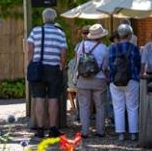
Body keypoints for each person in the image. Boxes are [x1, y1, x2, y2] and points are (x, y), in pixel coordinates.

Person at [25, 8, 67, 138]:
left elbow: (30, 50)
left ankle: (40, 129)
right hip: (54, 69)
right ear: (54, 19)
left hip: (38, 68)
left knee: (39, 98)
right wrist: (62, 66)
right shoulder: (60, 33)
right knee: (54, 99)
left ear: (43, 18)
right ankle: (53, 129)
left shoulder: (35, 31)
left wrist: (30, 63)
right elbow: (63, 53)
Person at [105, 23, 142, 141]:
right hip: (132, 80)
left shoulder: (111, 48)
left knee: (118, 107)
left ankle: (120, 134)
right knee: (132, 107)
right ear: (130, 35)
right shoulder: (134, 48)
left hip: (115, 80)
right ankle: (133, 134)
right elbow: (138, 64)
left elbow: (109, 65)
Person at [73, 23, 109, 137]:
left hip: (83, 79)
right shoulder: (104, 48)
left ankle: (84, 131)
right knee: (100, 106)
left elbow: (78, 62)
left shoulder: (82, 46)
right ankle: (100, 131)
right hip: (99, 79)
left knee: (84, 106)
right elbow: (106, 66)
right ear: (101, 36)